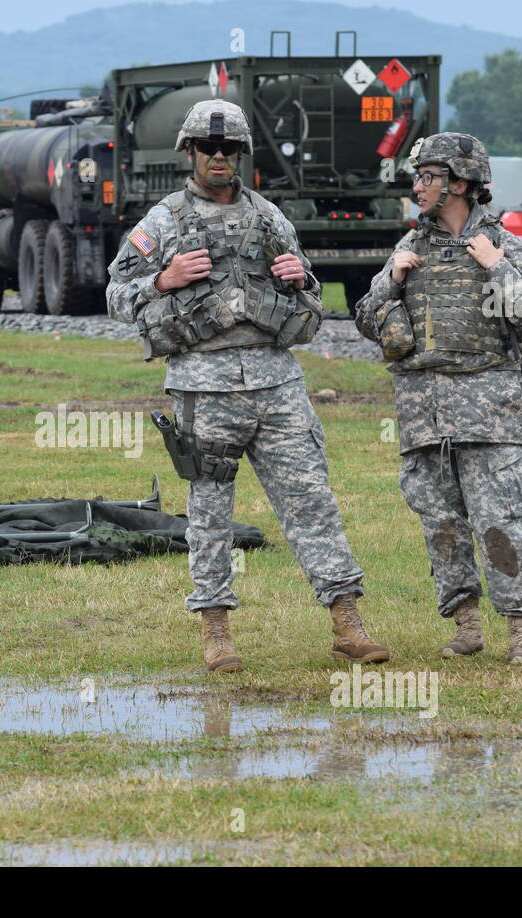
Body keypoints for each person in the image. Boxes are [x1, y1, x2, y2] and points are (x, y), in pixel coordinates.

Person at [106, 99, 389, 673]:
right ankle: (216, 631)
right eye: (209, 149)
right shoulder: (161, 221)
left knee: (311, 501)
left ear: (240, 155)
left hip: (277, 385)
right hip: (203, 389)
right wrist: (164, 277)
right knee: (209, 512)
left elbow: (309, 302)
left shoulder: (270, 219)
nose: (218, 157)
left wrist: (299, 276)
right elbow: (114, 296)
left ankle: (347, 622)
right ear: (189, 152)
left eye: (229, 149)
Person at [354, 131, 522, 663]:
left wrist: (495, 264)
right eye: (416, 176)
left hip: (492, 413)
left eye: (428, 177)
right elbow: (366, 321)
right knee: (442, 526)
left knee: (504, 522)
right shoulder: (410, 248)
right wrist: (391, 282)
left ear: (460, 184)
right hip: (425, 416)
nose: (417, 186)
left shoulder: (505, 246)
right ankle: (467, 628)